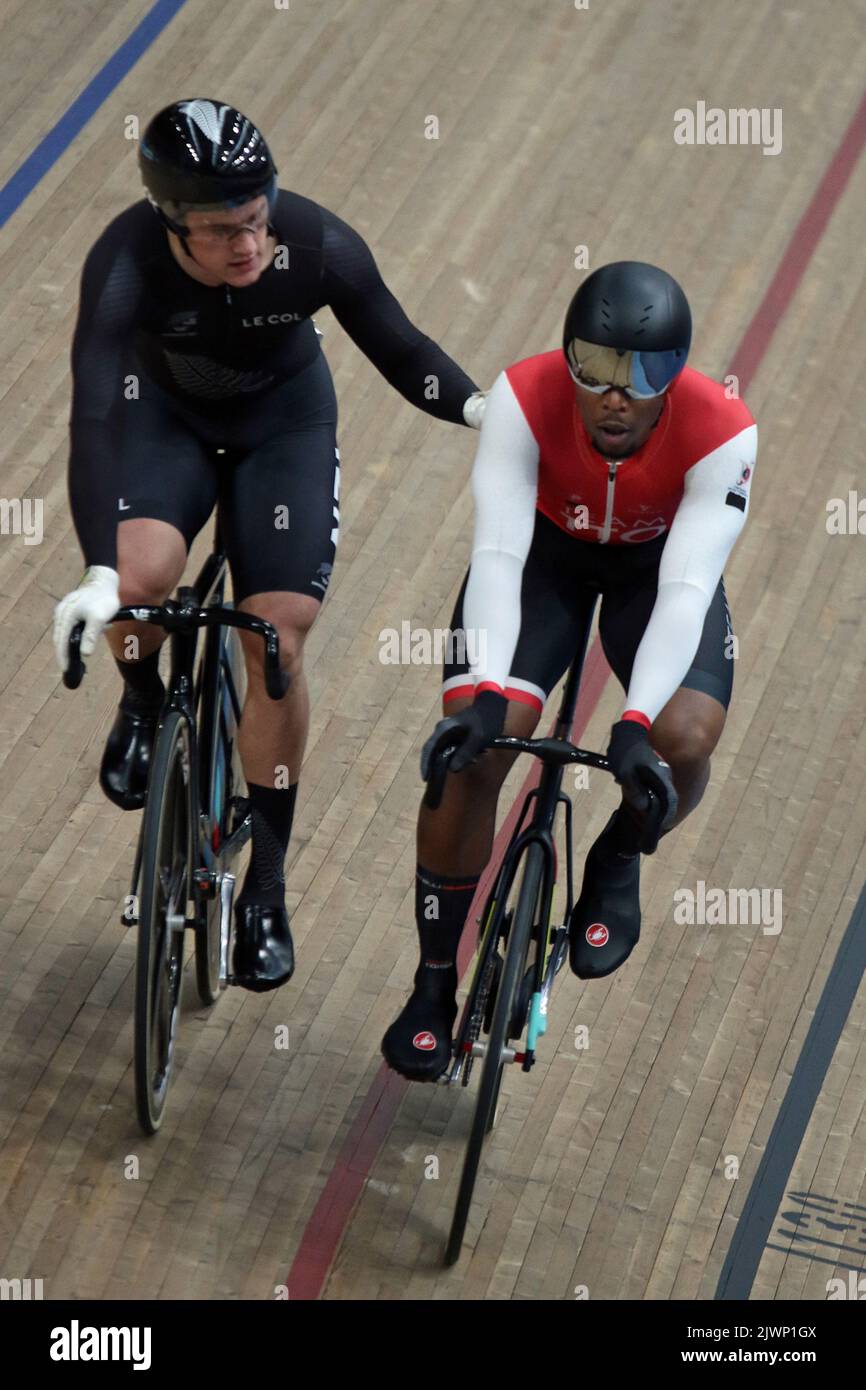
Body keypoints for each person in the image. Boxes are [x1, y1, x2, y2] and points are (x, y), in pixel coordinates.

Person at [53, 98, 486, 993]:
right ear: (172, 222)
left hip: (281, 425)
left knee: (275, 639)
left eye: (256, 219)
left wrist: (487, 411)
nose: (249, 245)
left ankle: (268, 885)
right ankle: (141, 698)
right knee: (140, 582)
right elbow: (93, 416)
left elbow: (405, 351)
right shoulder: (124, 263)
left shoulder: (314, 242)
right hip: (160, 419)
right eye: (220, 232)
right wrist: (97, 571)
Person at [382, 260, 757, 1081]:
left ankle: (618, 858)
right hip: (543, 563)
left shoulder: (723, 429)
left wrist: (631, 726)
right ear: (568, 357)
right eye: (596, 369)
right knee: (476, 750)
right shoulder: (524, 396)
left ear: (679, 373)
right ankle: (433, 983)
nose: (616, 396)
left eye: (644, 375)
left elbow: (689, 587)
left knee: (682, 737)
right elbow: (497, 549)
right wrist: (482, 695)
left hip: (652, 574)